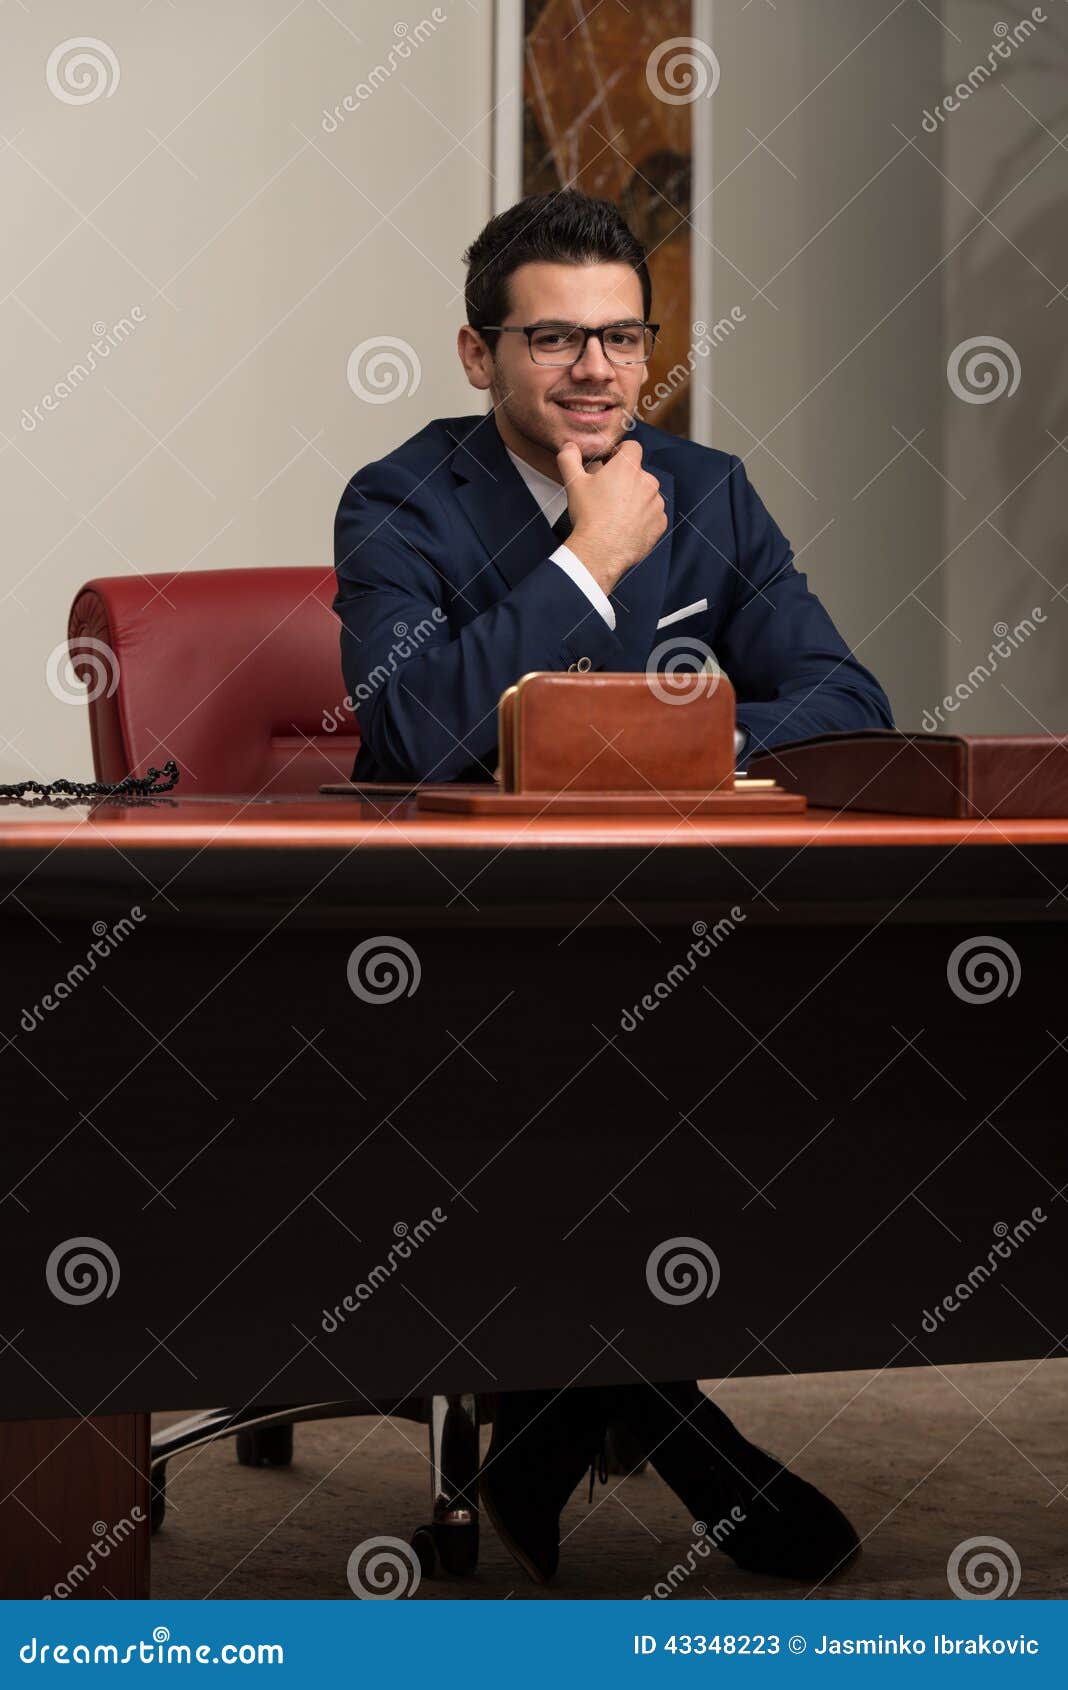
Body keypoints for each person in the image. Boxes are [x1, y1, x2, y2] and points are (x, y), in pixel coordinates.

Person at [333, 188, 893, 1585]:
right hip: (458, 955)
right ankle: (661, 1416)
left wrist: (654, 731)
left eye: (622, 336)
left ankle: (564, 1408)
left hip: (676, 940)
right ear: (480, 356)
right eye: (554, 340)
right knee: (575, 1084)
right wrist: (588, 563)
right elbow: (416, 729)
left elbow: (844, 702)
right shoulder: (402, 498)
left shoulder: (706, 492)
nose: (595, 369)